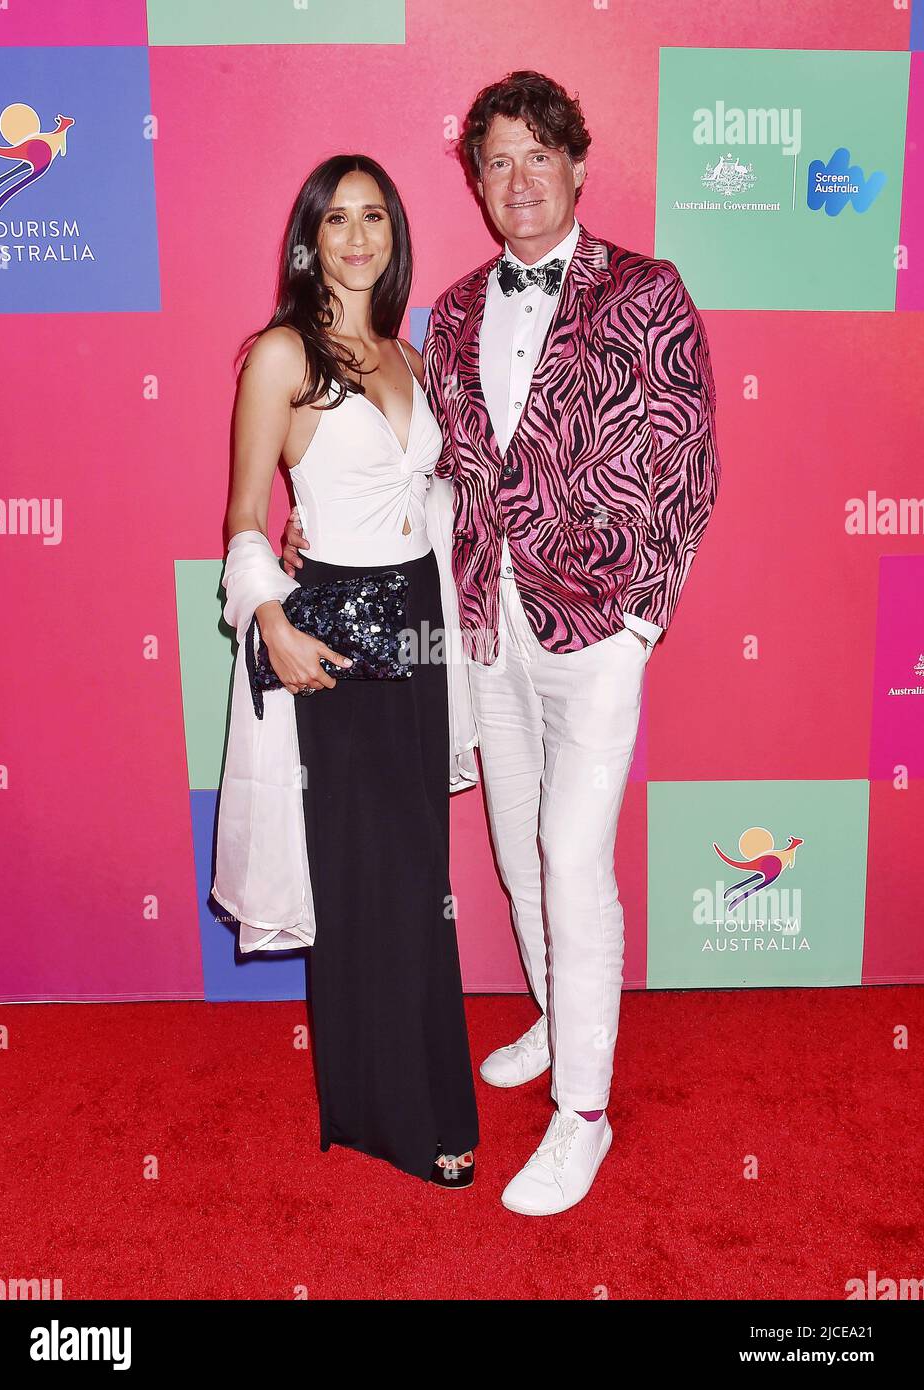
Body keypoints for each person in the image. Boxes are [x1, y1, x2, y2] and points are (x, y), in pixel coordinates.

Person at [283, 72, 721, 1215]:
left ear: (577, 164)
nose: (517, 180)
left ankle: (584, 1111)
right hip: (486, 626)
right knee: (518, 853)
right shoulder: (461, 308)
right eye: (495, 163)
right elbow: (440, 464)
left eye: (538, 156)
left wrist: (638, 620)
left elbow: (689, 466)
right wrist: (319, 519)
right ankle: (553, 1012)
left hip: (595, 632)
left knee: (573, 860)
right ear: (474, 183)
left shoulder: (647, 289)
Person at [214, 154, 480, 1188]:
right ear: (309, 238)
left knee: (419, 874)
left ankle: (419, 1094)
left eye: (374, 216)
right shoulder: (281, 355)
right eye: (337, 219)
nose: (358, 236)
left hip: (418, 629)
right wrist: (269, 616)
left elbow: (427, 508)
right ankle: (396, 1116)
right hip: (332, 633)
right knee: (367, 877)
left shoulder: (402, 352)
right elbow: (242, 518)